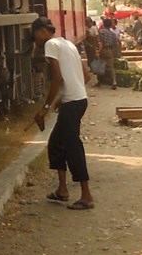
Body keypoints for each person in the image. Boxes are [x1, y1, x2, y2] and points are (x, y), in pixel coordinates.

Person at [32, 16, 95, 210]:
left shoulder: (50, 45)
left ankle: (86, 196)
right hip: (79, 100)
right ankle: (62, 190)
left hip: (73, 103)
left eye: (35, 36)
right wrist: (65, 97)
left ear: (42, 31)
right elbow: (85, 75)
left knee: (72, 147)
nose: (36, 41)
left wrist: (44, 108)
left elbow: (57, 78)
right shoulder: (68, 44)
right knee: (56, 144)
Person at [98, 18, 122, 89]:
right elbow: (116, 44)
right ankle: (114, 82)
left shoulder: (101, 32)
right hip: (110, 50)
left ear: (103, 24)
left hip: (103, 50)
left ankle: (100, 81)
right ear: (110, 25)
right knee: (111, 67)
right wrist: (116, 53)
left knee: (100, 66)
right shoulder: (113, 34)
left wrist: (98, 51)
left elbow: (100, 43)